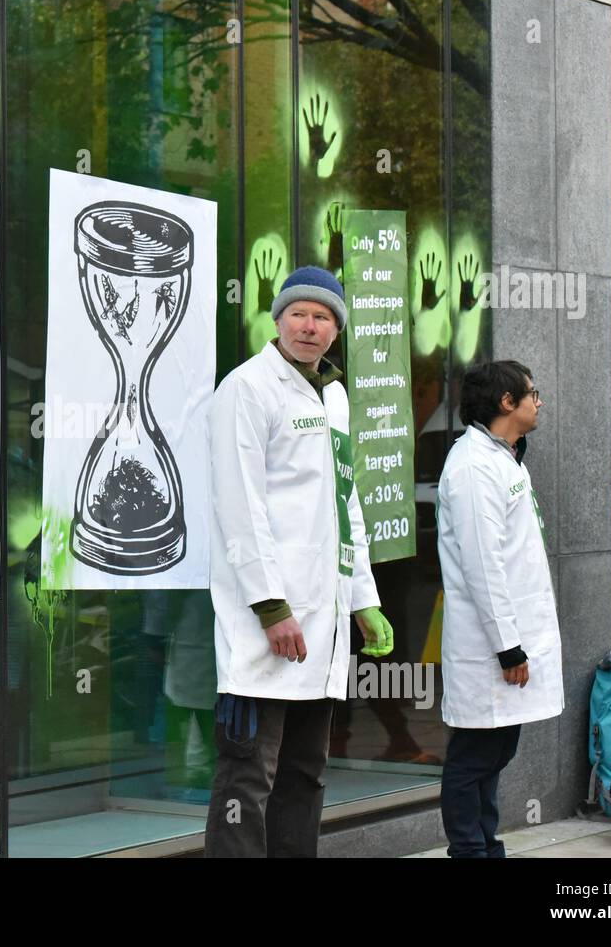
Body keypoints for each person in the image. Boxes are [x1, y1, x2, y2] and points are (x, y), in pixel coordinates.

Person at [203, 265, 394, 858]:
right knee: (248, 776)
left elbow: (346, 503)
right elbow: (239, 505)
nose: (309, 326)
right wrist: (270, 605)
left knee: (306, 773)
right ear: (278, 319)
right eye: (299, 314)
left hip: (324, 619)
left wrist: (364, 600)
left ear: (337, 329)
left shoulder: (334, 396)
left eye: (323, 317)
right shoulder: (247, 388)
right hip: (269, 620)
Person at [435, 360, 564, 858]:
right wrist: (507, 646)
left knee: (496, 752)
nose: (539, 401)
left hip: (508, 638)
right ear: (507, 402)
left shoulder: (502, 457)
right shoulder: (472, 466)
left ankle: (486, 843)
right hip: (489, 645)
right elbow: (483, 565)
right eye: (533, 393)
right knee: (474, 757)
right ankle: (469, 849)